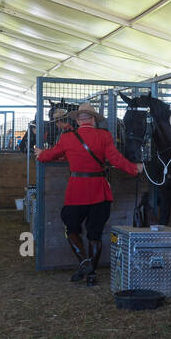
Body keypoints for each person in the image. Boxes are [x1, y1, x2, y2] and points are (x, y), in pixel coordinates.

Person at [36, 101, 142, 285]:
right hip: (99, 190)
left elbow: (49, 155)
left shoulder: (67, 138)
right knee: (95, 234)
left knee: (71, 229)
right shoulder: (104, 136)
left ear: (78, 120)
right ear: (93, 120)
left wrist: (40, 153)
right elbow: (116, 160)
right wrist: (135, 168)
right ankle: (90, 272)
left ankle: (85, 263)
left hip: (76, 190)